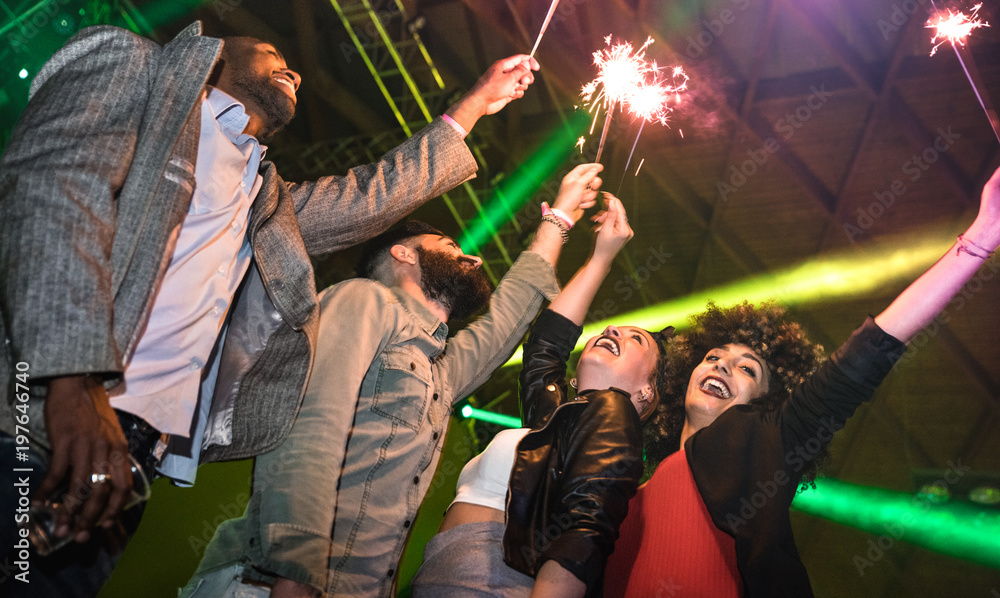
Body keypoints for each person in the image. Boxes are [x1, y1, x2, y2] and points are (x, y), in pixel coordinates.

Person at [0, 19, 537, 596]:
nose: (298, 70)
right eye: (273, 49)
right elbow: (51, 195)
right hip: (38, 406)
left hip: (134, 453)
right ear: (213, 52)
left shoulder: (268, 200)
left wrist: (477, 103)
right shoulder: (138, 68)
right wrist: (71, 380)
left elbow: (375, 194)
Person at [178, 163, 606, 598]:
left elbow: (506, 318)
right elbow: (314, 427)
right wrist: (296, 569)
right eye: (449, 244)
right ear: (403, 253)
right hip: (271, 583)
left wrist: (560, 218)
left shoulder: (438, 365)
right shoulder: (363, 299)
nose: (473, 257)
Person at [604, 166, 1000, 598]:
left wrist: (982, 236)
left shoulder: (768, 441)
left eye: (746, 368)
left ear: (764, 405)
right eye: (713, 357)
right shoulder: (618, 499)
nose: (720, 366)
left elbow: (868, 353)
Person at [411, 196, 671, 598]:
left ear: (647, 391)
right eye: (612, 329)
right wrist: (601, 256)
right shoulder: (560, 428)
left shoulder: (613, 410)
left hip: (493, 583)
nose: (614, 331)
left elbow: (586, 531)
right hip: (451, 573)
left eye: (635, 338)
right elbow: (545, 348)